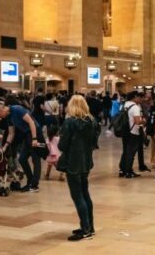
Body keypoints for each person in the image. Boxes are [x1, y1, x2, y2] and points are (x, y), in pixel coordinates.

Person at [58, 95, 99, 242]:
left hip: (73, 162)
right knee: (85, 194)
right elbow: (95, 143)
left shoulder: (69, 123)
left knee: (77, 196)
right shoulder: (93, 121)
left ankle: (86, 230)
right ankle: (90, 227)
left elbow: (62, 145)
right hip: (86, 161)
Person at [0, 103, 45, 192]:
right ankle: (30, 181)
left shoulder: (17, 109)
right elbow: (11, 133)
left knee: (35, 159)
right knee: (22, 158)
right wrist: (5, 146)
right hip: (26, 134)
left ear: (1, 110)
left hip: (35, 132)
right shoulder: (9, 117)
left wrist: (34, 138)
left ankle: (34, 185)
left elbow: (31, 122)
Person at [118, 91, 144, 179]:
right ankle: (129, 171)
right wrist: (144, 121)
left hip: (125, 131)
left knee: (125, 151)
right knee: (131, 152)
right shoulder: (135, 107)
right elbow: (137, 121)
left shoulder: (124, 105)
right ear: (135, 97)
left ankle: (122, 170)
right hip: (133, 132)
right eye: (139, 97)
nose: (140, 99)